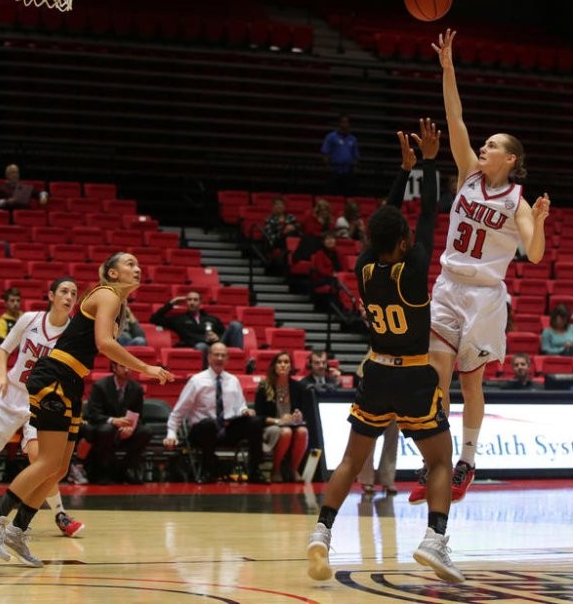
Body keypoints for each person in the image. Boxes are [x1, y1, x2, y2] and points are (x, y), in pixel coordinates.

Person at [306, 117, 464, 584]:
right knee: (439, 460)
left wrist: (404, 172)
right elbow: (432, 215)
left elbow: (385, 220)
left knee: (353, 460)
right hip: (414, 375)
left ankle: (322, 532)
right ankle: (435, 540)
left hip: (375, 371)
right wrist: (430, 164)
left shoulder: (363, 268)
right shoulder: (413, 271)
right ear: (402, 241)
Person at [416, 29, 550, 505]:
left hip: (486, 296)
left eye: (494, 145)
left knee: (470, 381)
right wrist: (448, 66)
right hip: (449, 284)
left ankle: (467, 461)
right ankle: (435, 458)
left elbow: (533, 256)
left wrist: (536, 222)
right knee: (436, 373)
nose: (485, 147)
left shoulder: (518, 201)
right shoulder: (469, 171)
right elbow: (455, 116)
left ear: (510, 159)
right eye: (486, 142)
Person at [0, 255, 173, 567]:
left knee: (60, 467)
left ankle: (17, 529)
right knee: (48, 461)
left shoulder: (117, 304)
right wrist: (145, 366)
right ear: (111, 272)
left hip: (72, 380)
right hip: (55, 376)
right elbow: (104, 343)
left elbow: (102, 341)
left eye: (138, 263)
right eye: (129, 263)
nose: (137, 267)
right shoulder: (105, 293)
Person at [0, 277, 85, 537]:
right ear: (51, 295)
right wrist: (1, 376)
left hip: (40, 402)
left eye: (74, 294)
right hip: (12, 394)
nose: (69, 297)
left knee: (39, 459)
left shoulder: (72, 334)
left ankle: (60, 514)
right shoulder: (29, 319)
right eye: (64, 292)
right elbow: (3, 350)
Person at [163, 342, 266, 484]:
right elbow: (178, 411)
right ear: (209, 357)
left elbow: (240, 406)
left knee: (255, 422)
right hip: (201, 433)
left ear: (227, 359)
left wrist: (245, 411)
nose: (220, 358)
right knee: (208, 424)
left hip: (226, 430)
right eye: (216, 355)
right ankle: (207, 471)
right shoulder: (196, 381)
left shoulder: (233, 380)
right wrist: (171, 433)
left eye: (223, 355)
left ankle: (255, 470)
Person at [82, 361, 152, 484]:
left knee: (145, 431)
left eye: (129, 366)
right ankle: (103, 472)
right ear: (114, 368)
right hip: (103, 425)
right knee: (106, 430)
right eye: (123, 366)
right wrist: (113, 420)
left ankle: (124, 469)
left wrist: (131, 427)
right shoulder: (100, 386)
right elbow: (93, 414)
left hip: (125, 427)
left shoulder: (137, 389)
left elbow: (138, 415)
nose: (126, 370)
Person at [254, 351, 311, 483]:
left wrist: (298, 415)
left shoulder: (298, 387)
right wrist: (279, 421)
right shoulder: (264, 386)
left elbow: (304, 412)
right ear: (274, 366)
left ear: (291, 366)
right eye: (279, 362)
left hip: (292, 426)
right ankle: (276, 469)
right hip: (270, 427)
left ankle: (293, 469)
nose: (283, 365)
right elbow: (259, 416)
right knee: (285, 432)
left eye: (286, 362)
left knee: (302, 431)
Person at [149, 290, 243, 356]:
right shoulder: (179, 320)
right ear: (186, 302)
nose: (192, 302)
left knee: (236, 325)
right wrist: (172, 302)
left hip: (217, 346)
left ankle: (240, 360)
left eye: (195, 300)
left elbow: (223, 333)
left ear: (200, 302)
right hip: (200, 347)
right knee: (201, 346)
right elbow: (154, 319)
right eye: (189, 300)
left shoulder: (211, 318)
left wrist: (217, 337)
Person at [321, 113, 360, 196]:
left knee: (347, 194)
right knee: (333, 194)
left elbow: (356, 156)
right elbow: (325, 153)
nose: (345, 124)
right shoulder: (331, 137)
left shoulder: (353, 139)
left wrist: (355, 168)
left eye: (347, 122)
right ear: (339, 123)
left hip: (347, 172)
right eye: (343, 122)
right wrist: (328, 167)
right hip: (334, 171)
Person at [262, 196, 301, 272]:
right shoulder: (269, 219)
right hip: (277, 242)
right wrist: (283, 232)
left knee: (294, 233)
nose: (279, 206)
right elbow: (271, 237)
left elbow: (299, 230)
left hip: (292, 241)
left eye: (281, 204)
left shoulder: (291, 217)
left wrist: (294, 227)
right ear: (273, 207)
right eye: (277, 204)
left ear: (285, 207)